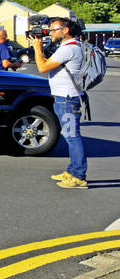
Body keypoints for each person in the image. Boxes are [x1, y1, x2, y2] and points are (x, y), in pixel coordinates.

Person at [32, 18, 87, 189]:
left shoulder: (69, 48)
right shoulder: (69, 47)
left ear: (66, 30)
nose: (50, 32)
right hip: (65, 98)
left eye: (54, 29)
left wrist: (37, 48)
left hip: (67, 99)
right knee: (70, 136)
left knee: (73, 137)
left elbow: (42, 67)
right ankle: (72, 171)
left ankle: (79, 176)